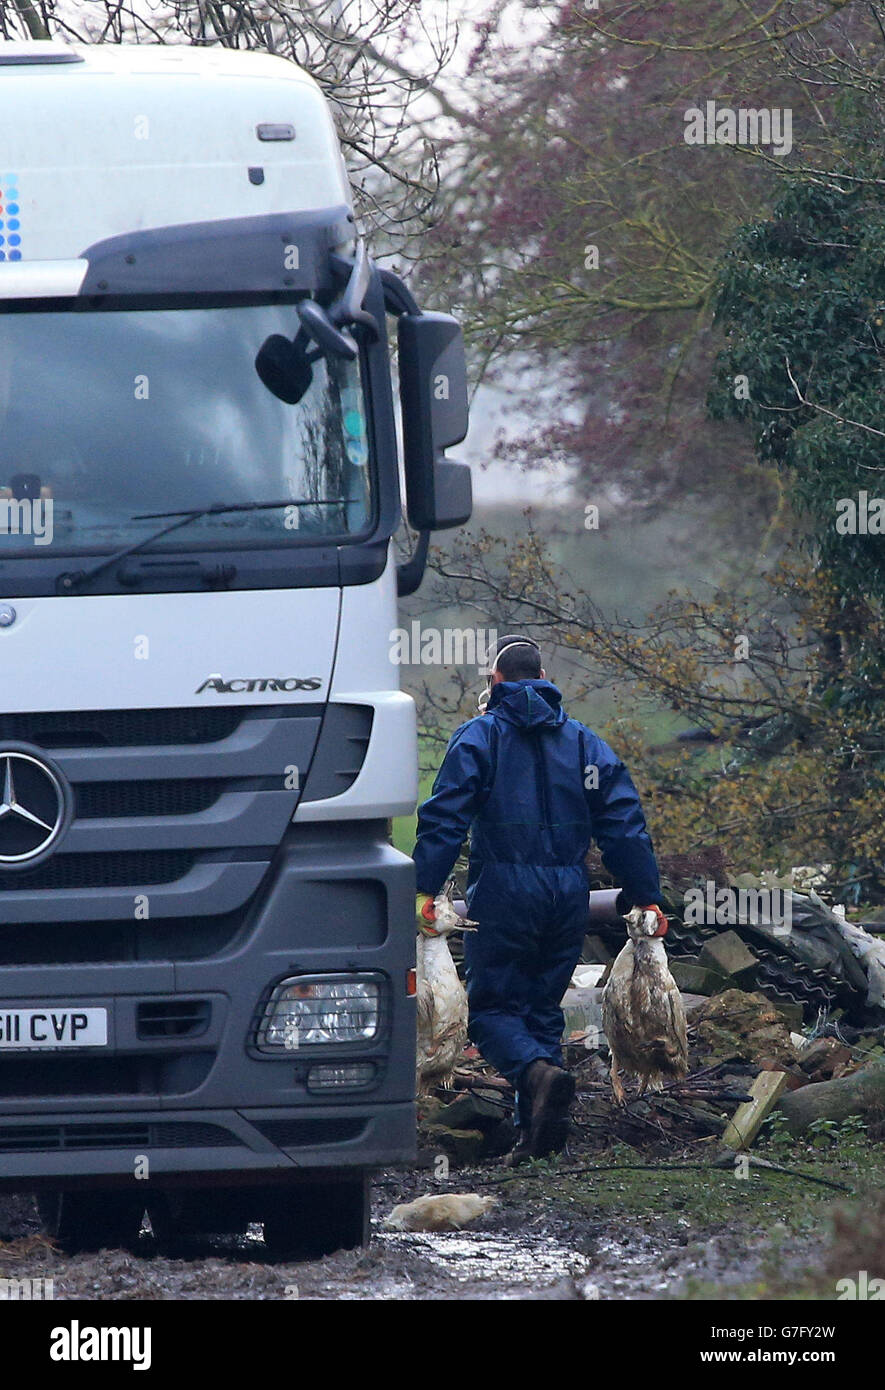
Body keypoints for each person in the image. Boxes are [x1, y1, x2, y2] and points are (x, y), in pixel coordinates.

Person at [412, 634, 666, 1164]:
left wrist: (424, 890)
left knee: (492, 1011)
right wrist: (645, 895)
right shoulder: (584, 745)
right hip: (569, 894)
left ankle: (536, 1075)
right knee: (542, 1011)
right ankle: (538, 1137)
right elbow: (624, 825)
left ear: (495, 681)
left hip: (504, 893)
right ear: (546, 679)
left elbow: (444, 820)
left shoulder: (480, 738)